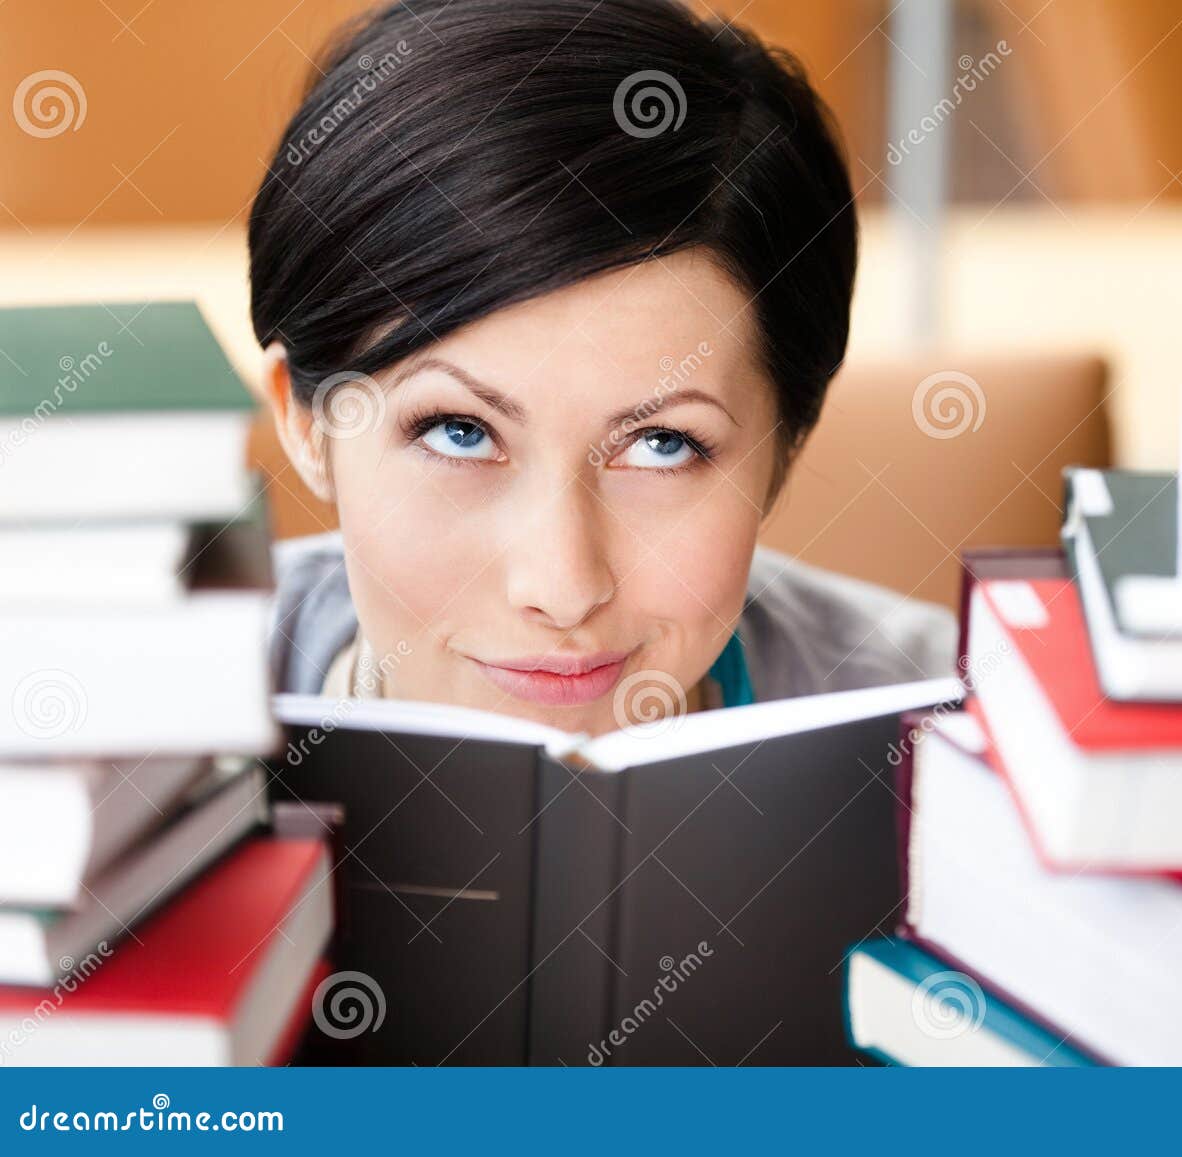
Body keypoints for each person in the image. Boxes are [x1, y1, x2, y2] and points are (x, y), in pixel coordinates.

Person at [254, 0, 956, 736]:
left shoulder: (970, 734)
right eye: (459, 432)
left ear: (788, 443)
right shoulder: (146, 735)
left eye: (663, 443)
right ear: (305, 422)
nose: (563, 590)